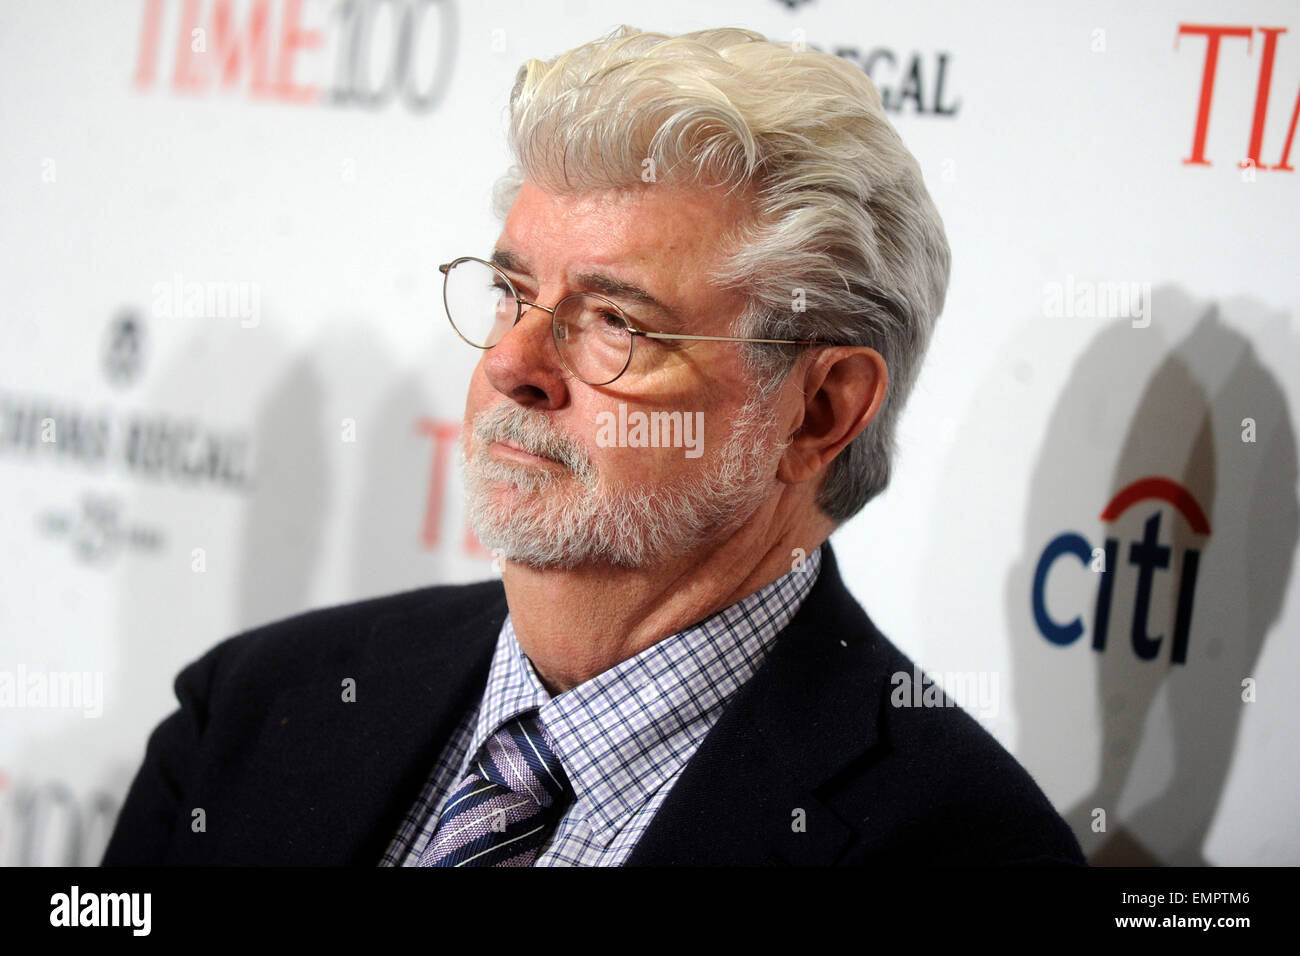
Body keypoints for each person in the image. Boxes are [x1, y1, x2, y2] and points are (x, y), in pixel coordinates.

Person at [103, 25, 1084, 867]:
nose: (513, 364)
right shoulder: (254, 706)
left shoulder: (953, 846)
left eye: (616, 320)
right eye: (512, 293)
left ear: (818, 410)